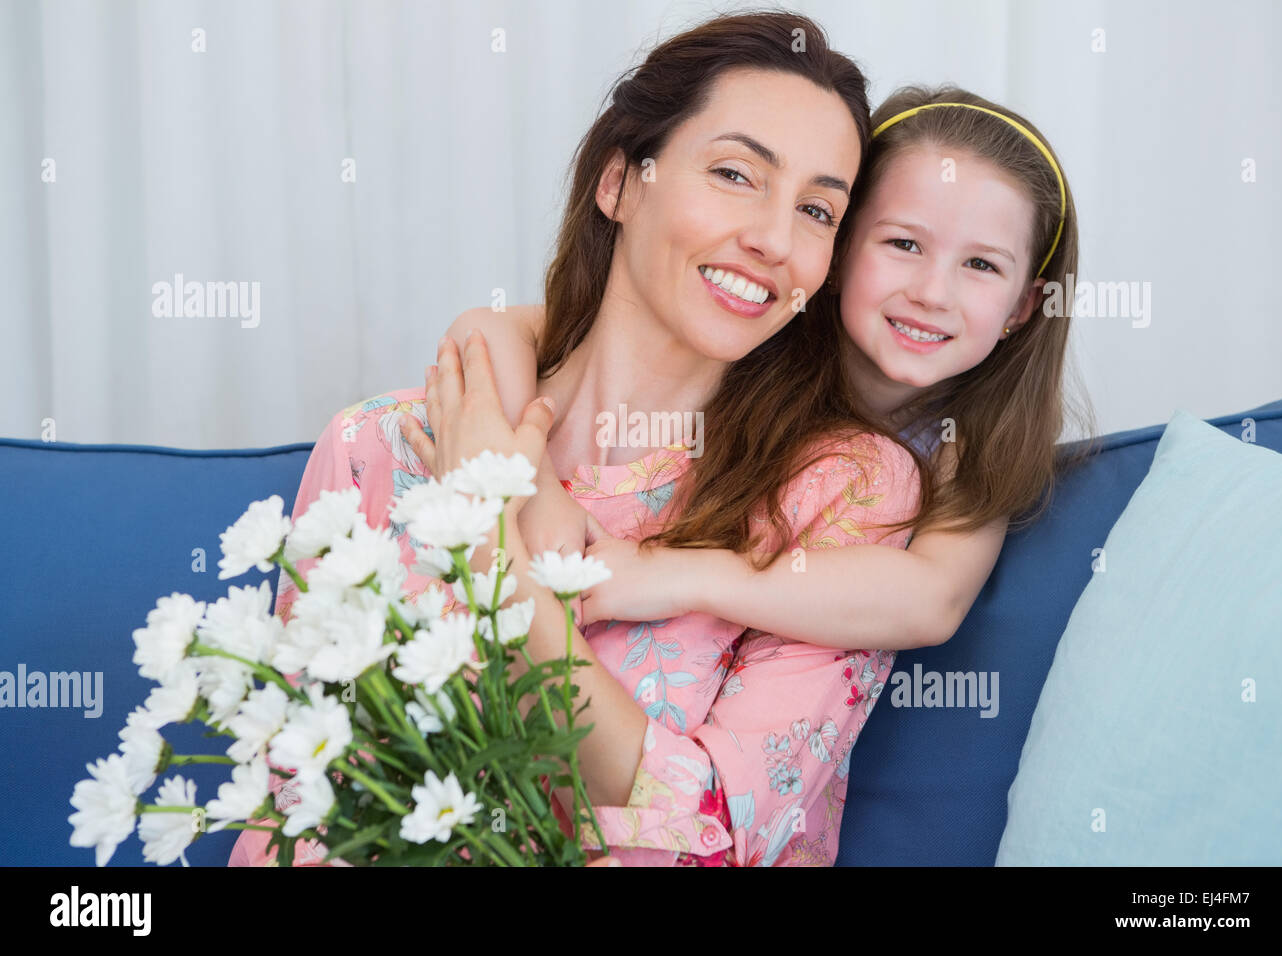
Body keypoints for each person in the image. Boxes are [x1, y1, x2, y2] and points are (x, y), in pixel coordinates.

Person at [229, 11, 921, 868]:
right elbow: (293, 808)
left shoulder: (842, 491)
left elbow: (718, 835)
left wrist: (498, 566)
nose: (776, 240)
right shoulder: (383, 444)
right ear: (621, 185)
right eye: (737, 173)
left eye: (818, 210)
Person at [447, 85, 1099, 659]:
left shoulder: (973, 443)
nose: (933, 292)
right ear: (837, 249)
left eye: (981, 265)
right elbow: (493, 326)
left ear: (1021, 307)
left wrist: (684, 576)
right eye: (903, 244)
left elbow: (931, 601)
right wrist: (531, 483)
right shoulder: (753, 329)